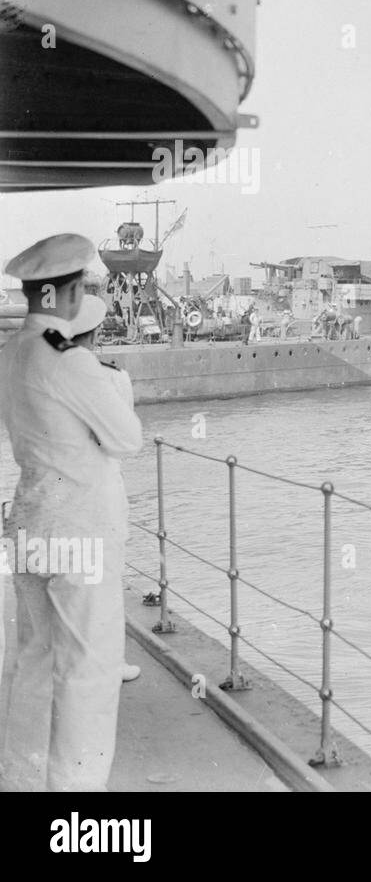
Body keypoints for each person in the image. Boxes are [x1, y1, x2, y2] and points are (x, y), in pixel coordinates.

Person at [0, 234, 143, 791]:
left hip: (30, 524)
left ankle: (20, 782)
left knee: (34, 659)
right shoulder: (68, 358)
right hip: (80, 534)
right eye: (80, 288)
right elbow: (126, 438)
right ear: (58, 294)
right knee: (89, 671)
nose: (84, 297)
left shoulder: (11, 353)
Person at [65, 294, 141, 685]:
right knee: (106, 581)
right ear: (95, 335)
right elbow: (123, 443)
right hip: (101, 491)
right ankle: (107, 666)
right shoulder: (113, 377)